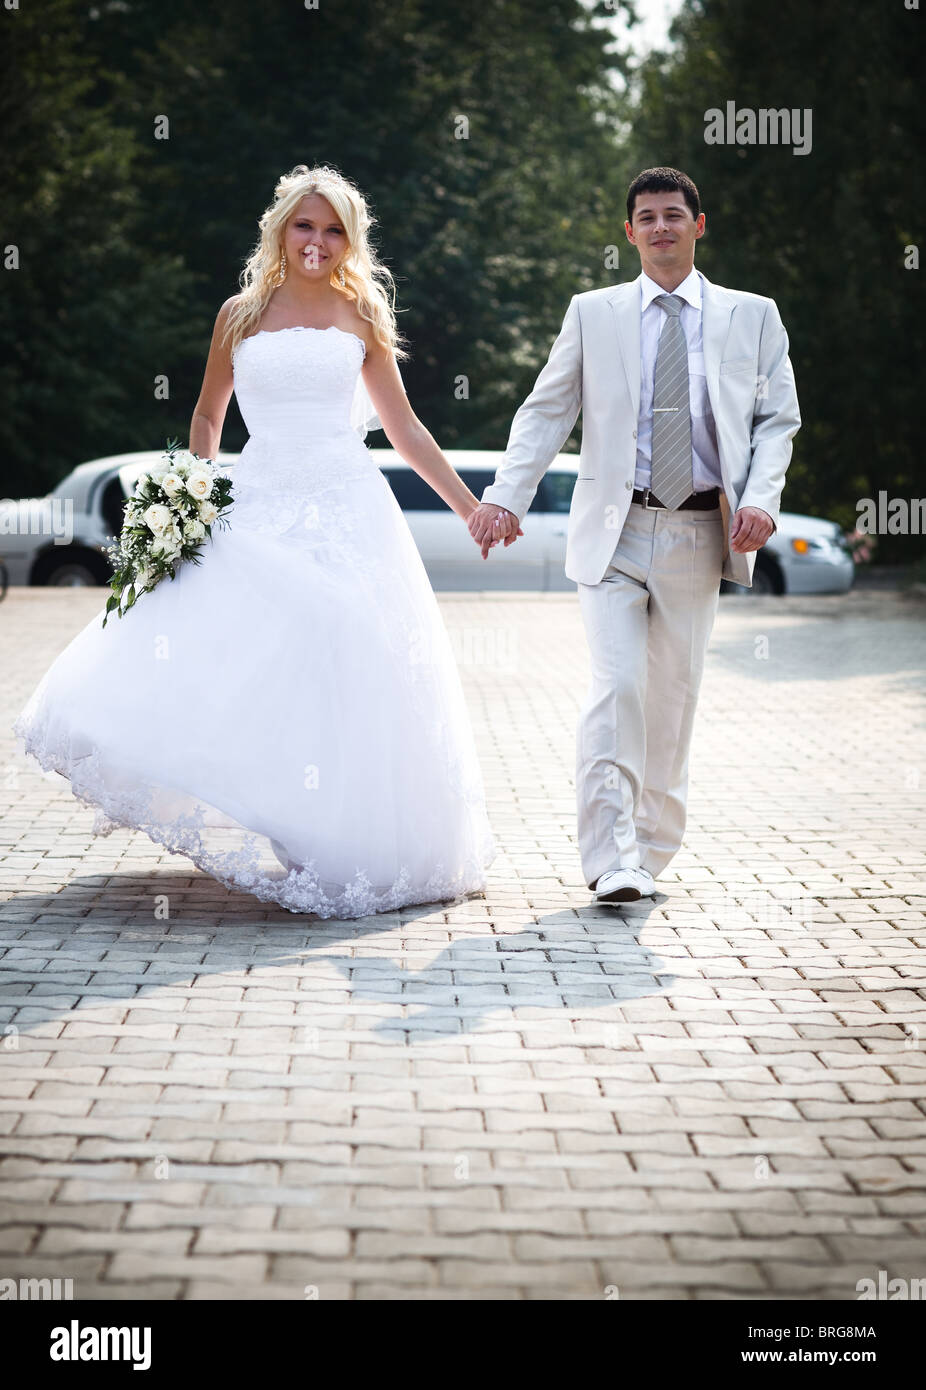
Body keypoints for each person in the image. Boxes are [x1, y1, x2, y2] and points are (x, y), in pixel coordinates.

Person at [13, 163, 496, 919]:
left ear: (349, 239)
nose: (318, 240)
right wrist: (193, 491)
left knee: (347, 647)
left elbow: (405, 430)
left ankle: (338, 834)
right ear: (281, 229)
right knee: (258, 648)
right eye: (306, 224)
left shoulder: (362, 313)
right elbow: (208, 416)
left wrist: (470, 508)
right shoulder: (240, 313)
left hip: (346, 505)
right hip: (261, 496)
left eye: (334, 229)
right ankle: (282, 809)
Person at [468, 166, 801, 904]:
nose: (660, 227)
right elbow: (547, 410)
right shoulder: (594, 313)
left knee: (671, 704)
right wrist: (505, 498)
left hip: (699, 531)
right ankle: (608, 856)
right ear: (628, 233)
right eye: (645, 217)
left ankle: (649, 852)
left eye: (673, 214)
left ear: (698, 224)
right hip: (613, 531)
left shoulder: (753, 315)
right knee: (616, 688)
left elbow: (778, 418)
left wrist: (763, 501)